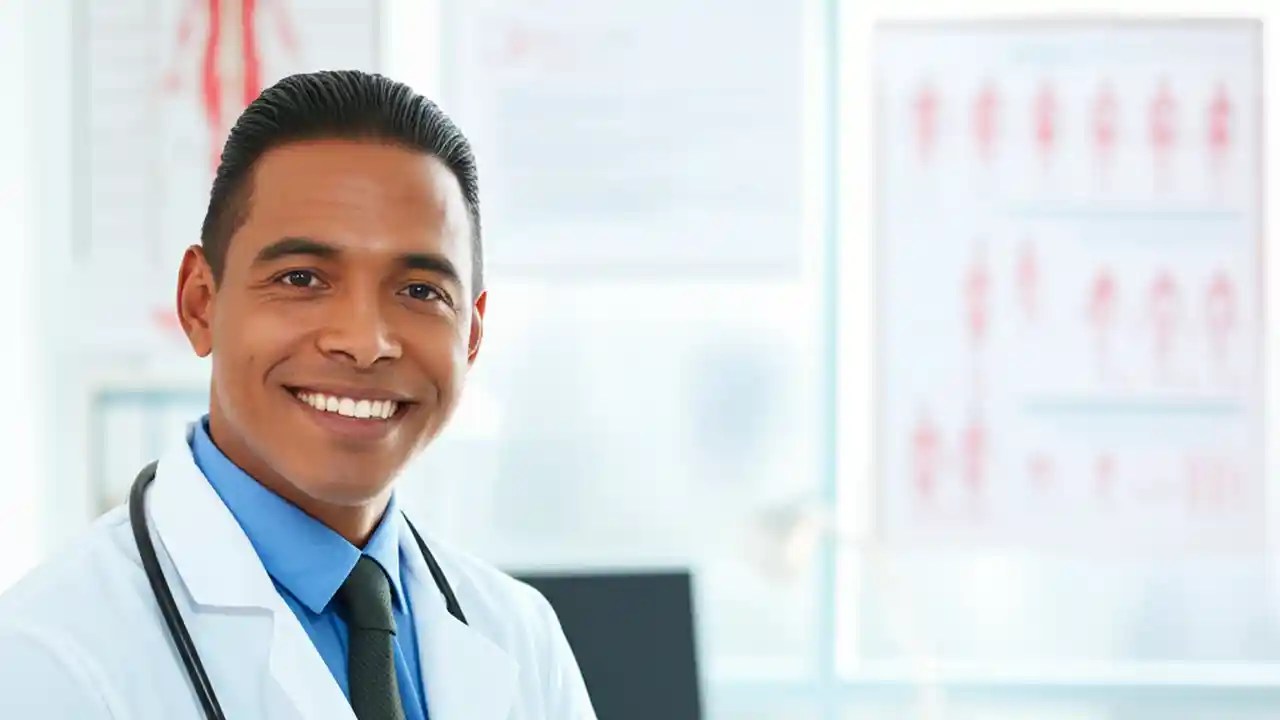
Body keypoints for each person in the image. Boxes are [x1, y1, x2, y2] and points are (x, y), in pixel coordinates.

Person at [0, 70, 597, 720]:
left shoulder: (520, 637)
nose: (365, 342)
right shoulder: (45, 661)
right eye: (302, 278)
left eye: (421, 291)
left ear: (472, 336)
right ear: (201, 304)